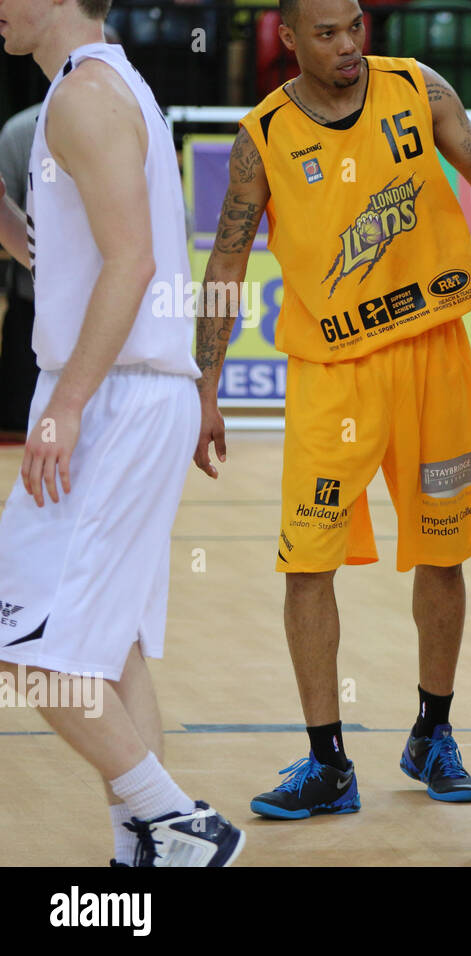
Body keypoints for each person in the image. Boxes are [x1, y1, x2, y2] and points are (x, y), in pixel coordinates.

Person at [193, 0, 471, 818]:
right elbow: (227, 259)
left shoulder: (419, 88)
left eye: (356, 26)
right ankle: (327, 763)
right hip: (330, 372)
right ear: (288, 38)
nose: (349, 45)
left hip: (432, 354)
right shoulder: (262, 137)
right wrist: (203, 387)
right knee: (307, 563)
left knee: (444, 552)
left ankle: (433, 731)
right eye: (327, 33)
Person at [0, 0, 242, 866]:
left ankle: (180, 823)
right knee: (107, 647)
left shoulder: (83, 97)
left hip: (109, 395)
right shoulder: (107, 86)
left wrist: (64, 406)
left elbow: (133, 263)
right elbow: (94, 253)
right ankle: (142, 855)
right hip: (129, 390)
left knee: (28, 649)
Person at [0, 103, 40, 442]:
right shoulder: (21, 130)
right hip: (32, 305)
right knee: (19, 424)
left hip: (110, 306)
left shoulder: (137, 115)